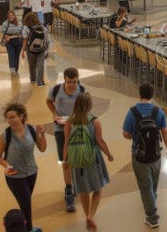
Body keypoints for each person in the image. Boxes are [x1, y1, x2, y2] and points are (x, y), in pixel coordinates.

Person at [122, 83, 167, 229]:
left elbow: (125, 134)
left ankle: (152, 217)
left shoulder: (132, 112)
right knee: (153, 185)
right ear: (152, 95)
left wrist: (136, 136)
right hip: (156, 155)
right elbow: (165, 132)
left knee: (145, 187)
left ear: (139, 95)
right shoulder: (158, 112)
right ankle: (151, 203)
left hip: (139, 157)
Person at [62, 93, 113, 230]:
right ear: (89, 105)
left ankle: (86, 215)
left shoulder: (69, 122)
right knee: (97, 189)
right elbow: (100, 141)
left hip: (76, 161)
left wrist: (65, 161)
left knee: (84, 191)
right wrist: (108, 154)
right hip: (93, 159)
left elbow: (66, 143)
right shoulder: (94, 121)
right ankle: (90, 216)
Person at [0, 103, 47, 232]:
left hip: (31, 172)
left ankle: (25, 227)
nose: (10, 120)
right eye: (8, 118)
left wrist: (42, 134)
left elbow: (42, 148)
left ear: (21, 116)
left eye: (13, 117)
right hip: (15, 176)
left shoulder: (31, 130)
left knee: (25, 203)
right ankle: (28, 229)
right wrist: (7, 166)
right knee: (26, 205)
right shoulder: (5, 135)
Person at [46, 67, 84, 212]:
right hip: (60, 129)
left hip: (77, 129)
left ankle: (75, 183)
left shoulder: (82, 90)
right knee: (65, 161)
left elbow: (86, 107)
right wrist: (54, 114)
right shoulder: (55, 90)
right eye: (69, 82)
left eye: (74, 82)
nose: (72, 85)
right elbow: (49, 102)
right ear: (64, 80)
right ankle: (68, 191)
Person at [21, 12, 50, 87]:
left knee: (32, 64)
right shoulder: (42, 27)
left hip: (30, 49)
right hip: (41, 48)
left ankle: (33, 78)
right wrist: (46, 47)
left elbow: (25, 40)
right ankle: (40, 82)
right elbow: (46, 38)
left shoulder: (26, 28)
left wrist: (23, 51)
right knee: (40, 64)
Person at [1, 11, 24, 75]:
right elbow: (2, 31)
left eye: (12, 15)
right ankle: (12, 70)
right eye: (10, 15)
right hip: (9, 42)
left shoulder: (19, 23)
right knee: (11, 55)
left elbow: (21, 34)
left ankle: (16, 70)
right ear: (8, 16)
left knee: (16, 56)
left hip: (18, 41)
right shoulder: (5, 23)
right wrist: (5, 36)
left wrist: (11, 37)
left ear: (14, 15)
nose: (11, 16)